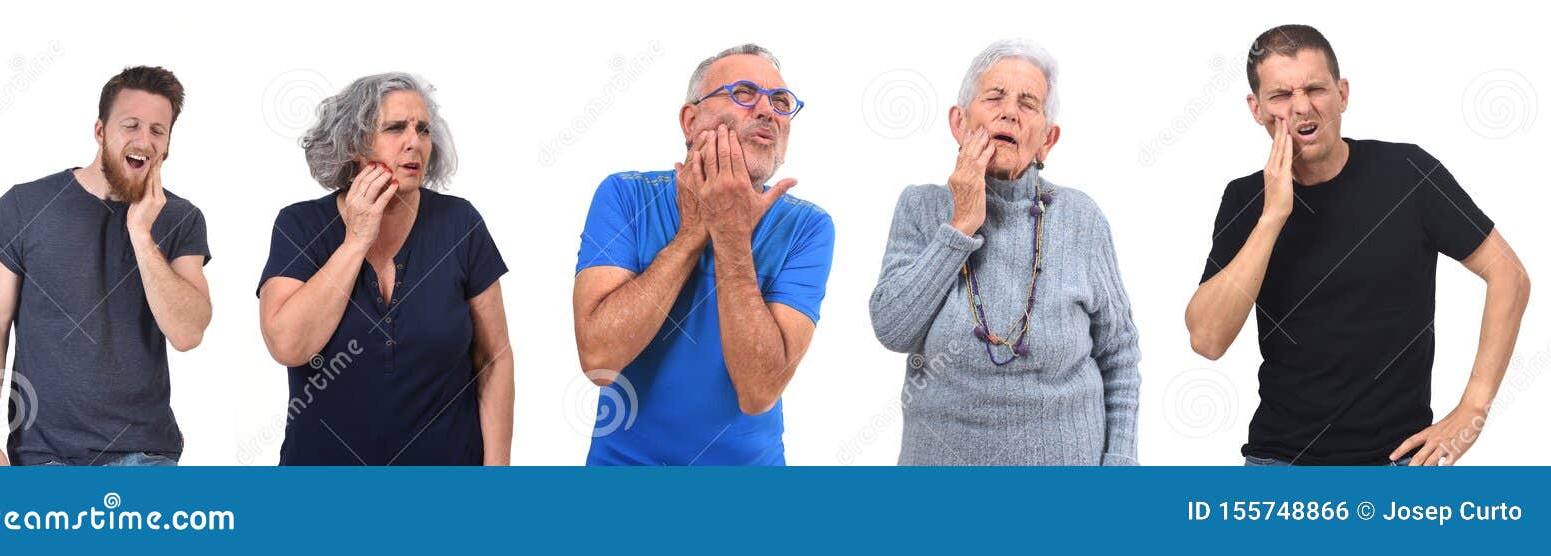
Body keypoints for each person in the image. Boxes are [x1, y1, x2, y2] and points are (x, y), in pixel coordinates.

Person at [1185, 24, 1531, 466]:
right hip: (1278, 466)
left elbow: (1509, 275)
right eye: (1281, 95)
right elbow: (1207, 339)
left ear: (1342, 94)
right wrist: (1273, 216)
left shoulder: (1408, 173)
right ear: (1257, 109)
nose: (1301, 107)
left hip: (1400, 464)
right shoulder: (1245, 199)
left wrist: (1472, 411)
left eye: (1315, 89)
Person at [870, 38, 1141, 465]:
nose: (1010, 112)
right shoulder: (920, 207)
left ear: (1047, 140)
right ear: (959, 122)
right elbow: (893, 330)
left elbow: (1119, 352)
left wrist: (1122, 463)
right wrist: (961, 224)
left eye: (1028, 104)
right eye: (994, 97)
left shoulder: (1081, 218)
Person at [572, 44, 834, 465]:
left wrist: (730, 236)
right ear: (691, 121)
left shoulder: (807, 226)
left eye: (781, 101)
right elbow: (599, 358)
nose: (767, 111)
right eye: (744, 93)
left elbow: (758, 391)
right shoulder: (625, 194)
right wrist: (693, 232)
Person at [258, 72, 513, 465]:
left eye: (423, 129)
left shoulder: (460, 224)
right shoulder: (301, 225)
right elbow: (288, 346)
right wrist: (356, 240)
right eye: (395, 128)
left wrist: (497, 478)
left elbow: (494, 359)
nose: (415, 142)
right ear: (353, 144)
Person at [0, 66, 211, 466]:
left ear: (167, 145)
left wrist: (140, 232)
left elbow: (187, 333)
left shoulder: (180, 218)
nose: (144, 140)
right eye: (130, 125)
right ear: (100, 131)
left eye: (157, 131)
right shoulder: (24, 206)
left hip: (147, 456)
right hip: (44, 458)